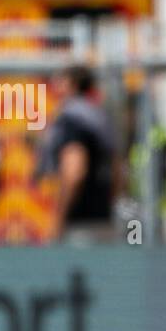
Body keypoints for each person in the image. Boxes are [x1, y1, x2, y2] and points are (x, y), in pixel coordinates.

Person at [37, 66, 118, 242]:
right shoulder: (99, 116)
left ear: (71, 84)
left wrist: (59, 219)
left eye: (60, 80)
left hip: (79, 223)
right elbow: (116, 166)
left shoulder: (72, 119)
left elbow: (74, 171)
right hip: (102, 216)